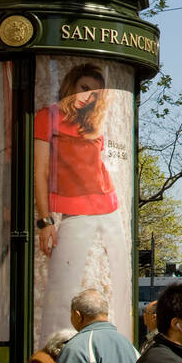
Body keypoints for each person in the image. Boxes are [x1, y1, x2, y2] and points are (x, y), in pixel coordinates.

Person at [34, 64, 131, 346]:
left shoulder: (92, 122)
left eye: (94, 94)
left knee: (121, 285)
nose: (87, 97)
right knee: (63, 287)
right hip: (75, 212)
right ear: (72, 84)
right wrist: (45, 220)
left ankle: (122, 348)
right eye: (84, 89)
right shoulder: (48, 116)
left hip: (110, 206)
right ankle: (50, 353)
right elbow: (39, 172)